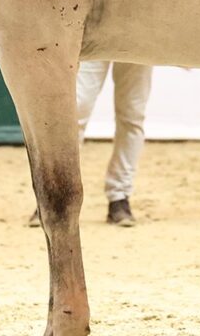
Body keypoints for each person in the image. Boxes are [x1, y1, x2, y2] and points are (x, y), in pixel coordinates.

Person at [29, 61, 154, 227]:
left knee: (132, 115)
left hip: (137, 42)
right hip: (97, 39)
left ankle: (120, 197)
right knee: (75, 112)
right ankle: (53, 196)